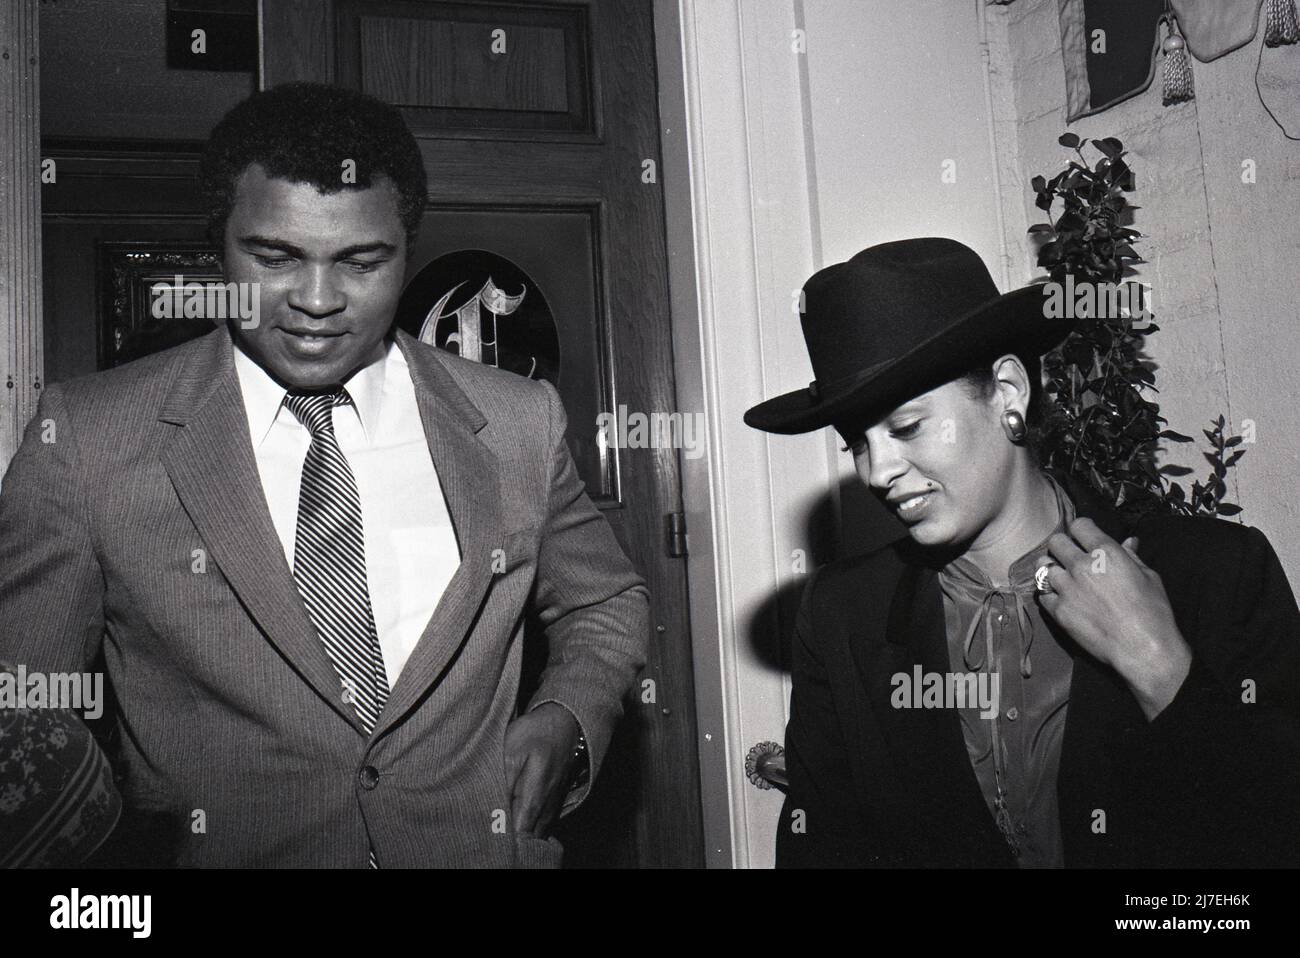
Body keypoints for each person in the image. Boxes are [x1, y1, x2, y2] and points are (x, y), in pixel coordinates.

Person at [0, 83, 649, 868]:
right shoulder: (87, 440)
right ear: (218, 245)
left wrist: (567, 719)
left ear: (408, 250)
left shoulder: (517, 422)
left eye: (360, 261)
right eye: (273, 257)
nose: (315, 300)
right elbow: (22, 725)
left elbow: (606, 600)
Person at [744, 237, 1300, 868]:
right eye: (858, 444)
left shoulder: (1215, 574)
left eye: (905, 427)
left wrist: (1160, 666)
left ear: (1008, 391)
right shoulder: (844, 615)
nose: (878, 471)